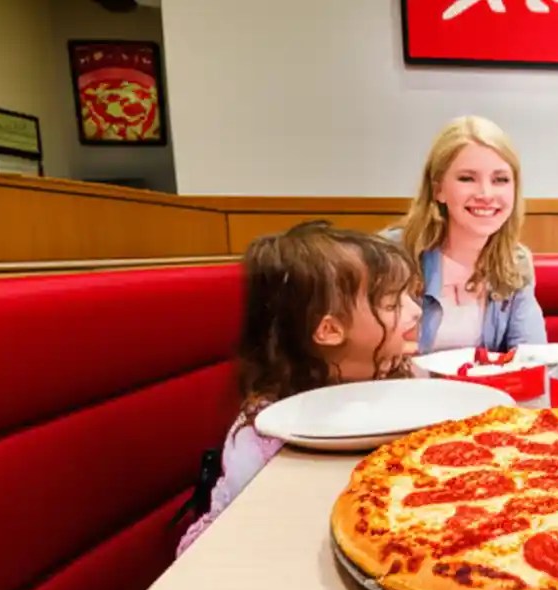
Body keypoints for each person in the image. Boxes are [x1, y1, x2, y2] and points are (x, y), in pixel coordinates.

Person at [177, 222, 421, 555]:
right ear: (330, 330)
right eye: (393, 304)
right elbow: (226, 545)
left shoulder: (402, 378)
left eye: (411, 297)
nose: (416, 311)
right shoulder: (264, 437)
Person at [382, 115, 546, 354]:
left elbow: (533, 357)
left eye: (500, 179)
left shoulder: (515, 262)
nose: (486, 193)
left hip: (484, 392)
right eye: (467, 178)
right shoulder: (388, 253)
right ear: (439, 190)